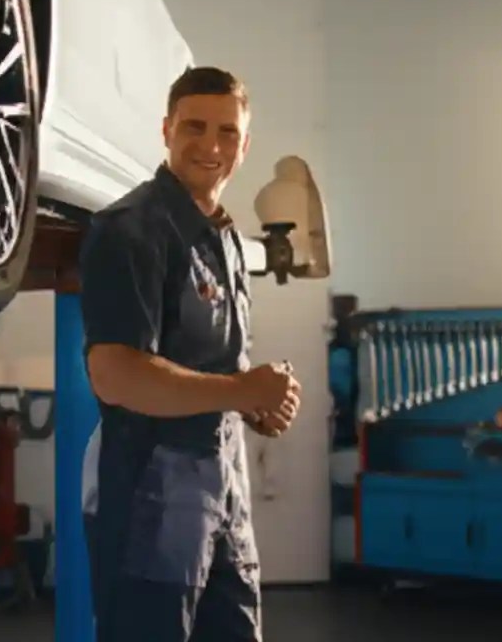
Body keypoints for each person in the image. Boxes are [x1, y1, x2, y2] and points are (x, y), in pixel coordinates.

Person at [78, 66, 302, 642]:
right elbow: (116, 374)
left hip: (224, 485)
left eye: (228, 132)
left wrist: (258, 402)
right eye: (194, 127)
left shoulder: (225, 237)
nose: (211, 145)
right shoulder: (130, 229)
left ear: (245, 145)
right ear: (166, 131)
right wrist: (242, 390)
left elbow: (217, 369)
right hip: (149, 491)